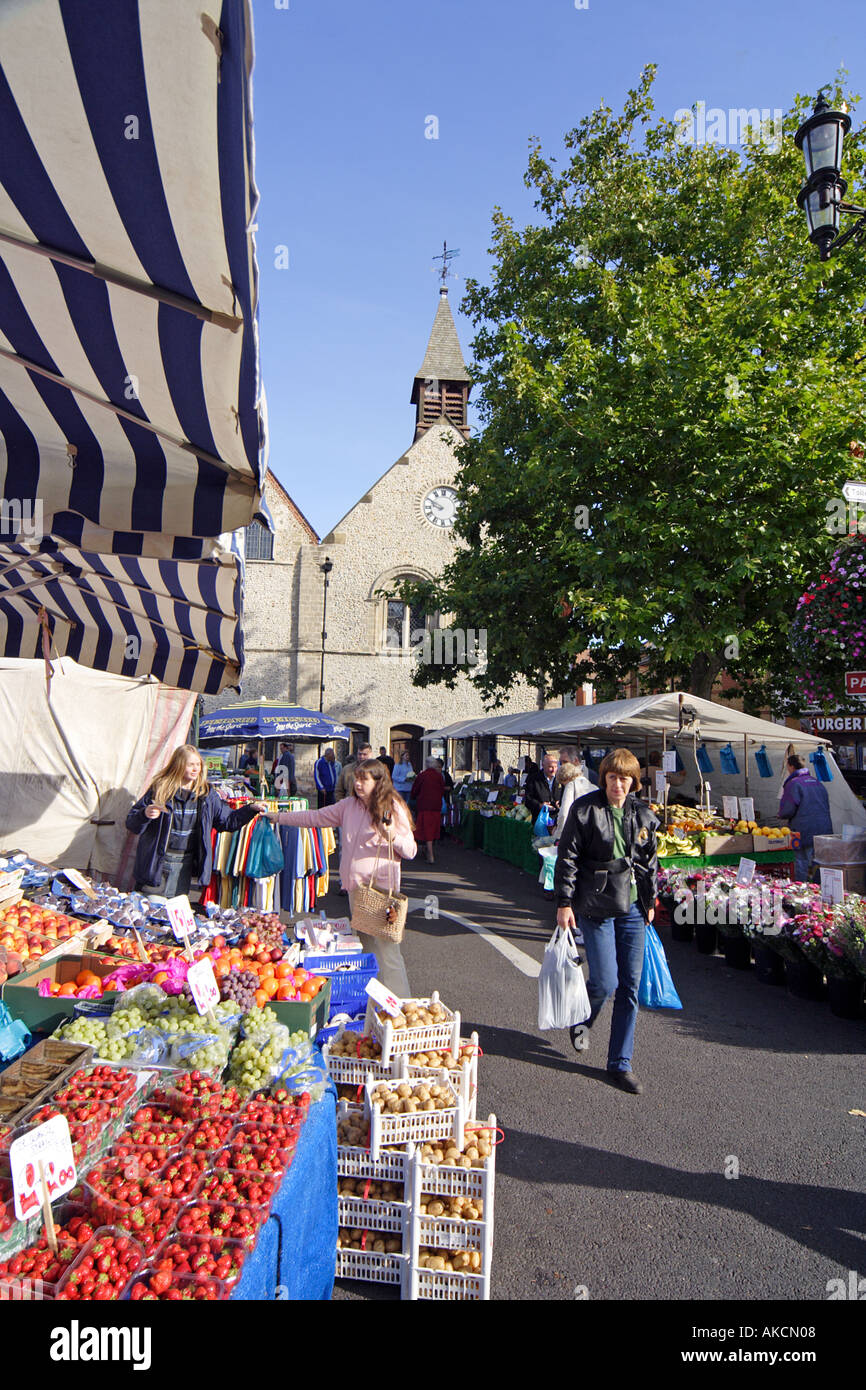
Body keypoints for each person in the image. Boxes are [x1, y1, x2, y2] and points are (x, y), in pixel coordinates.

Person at [554, 747, 658, 1096]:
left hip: (632, 907)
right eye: (612, 777)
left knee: (631, 985)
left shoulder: (642, 814)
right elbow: (567, 857)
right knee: (605, 981)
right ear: (604, 778)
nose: (618, 784)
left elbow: (648, 861)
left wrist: (650, 899)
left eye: (624, 778)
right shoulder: (586, 810)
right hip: (595, 902)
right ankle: (584, 1018)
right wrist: (565, 902)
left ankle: (620, 1064)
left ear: (634, 783)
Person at [267, 759, 417, 995]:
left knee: (389, 951)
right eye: (356, 779)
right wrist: (279, 818)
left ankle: (401, 1003)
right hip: (357, 890)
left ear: (378, 782)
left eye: (363, 779)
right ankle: (374, 1001)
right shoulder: (348, 806)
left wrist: (390, 835)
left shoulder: (393, 806)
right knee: (367, 949)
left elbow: (410, 850)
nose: (357, 784)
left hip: (383, 893)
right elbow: (315, 817)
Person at [126, 744, 268, 899]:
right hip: (157, 862)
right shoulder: (160, 789)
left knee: (175, 911)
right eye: (190, 765)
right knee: (152, 908)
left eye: (198, 764)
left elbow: (227, 820)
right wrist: (145, 813)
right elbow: (132, 823)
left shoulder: (206, 794)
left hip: (184, 864)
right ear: (179, 765)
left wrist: (250, 809)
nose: (195, 769)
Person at [779, 754, 833, 882]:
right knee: (819, 860)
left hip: (803, 829)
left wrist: (781, 814)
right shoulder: (817, 782)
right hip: (824, 828)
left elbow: (788, 809)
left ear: (791, 766)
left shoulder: (793, 784)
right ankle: (819, 889)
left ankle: (801, 889)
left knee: (800, 860)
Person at [553, 750, 596, 843]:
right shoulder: (592, 786)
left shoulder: (571, 785)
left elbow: (564, 813)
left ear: (565, 778)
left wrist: (559, 835)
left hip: (577, 834)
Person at [410, 757, 447, 864]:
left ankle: (430, 854)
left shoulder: (422, 776)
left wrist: (413, 797)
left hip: (424, 805)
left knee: (426, 829)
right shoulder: (439, 776)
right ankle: (429, 851)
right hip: (436, 806)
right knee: (432, 828)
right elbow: (441, 790)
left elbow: (415, 790)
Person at [524, 754, 560, 825]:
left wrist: (560, 802)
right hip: (540, 821)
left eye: (555, 767)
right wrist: (539, 805)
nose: (553, 770)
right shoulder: (533, 779)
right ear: (543, 766)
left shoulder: (561, 779)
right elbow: (528, 800)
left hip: (558, 821)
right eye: (550, 767)